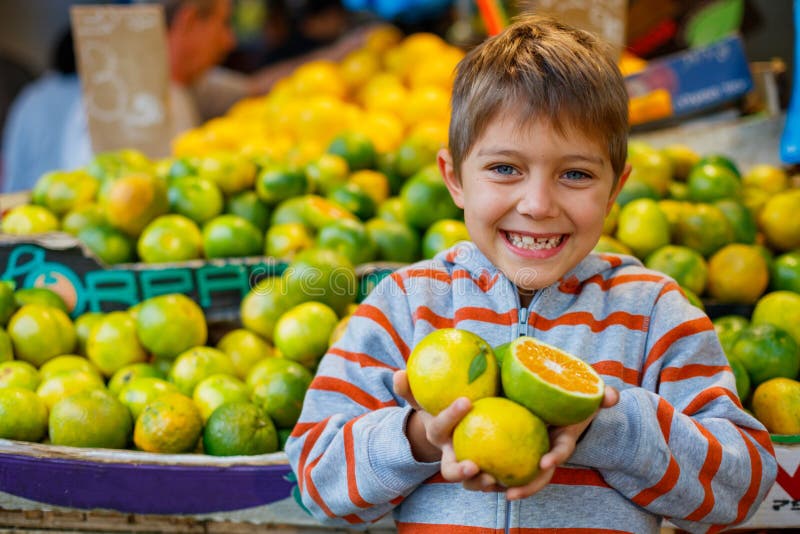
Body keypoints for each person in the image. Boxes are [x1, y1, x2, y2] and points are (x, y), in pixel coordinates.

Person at [285, 14, 777, 532]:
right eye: (505, 169)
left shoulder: (653, 311)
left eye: (575, 174)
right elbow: (314, 480)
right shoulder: (407, 304)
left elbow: (740, 490)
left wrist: (603, 427)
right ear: (454, 177)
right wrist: (420, 436)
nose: (538, 204)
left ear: (615, 189)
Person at [1, 29, 78, 192]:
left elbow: (13, 161)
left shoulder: (33, 95)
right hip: (70, 199)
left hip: (26, 201)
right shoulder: (93, 97)